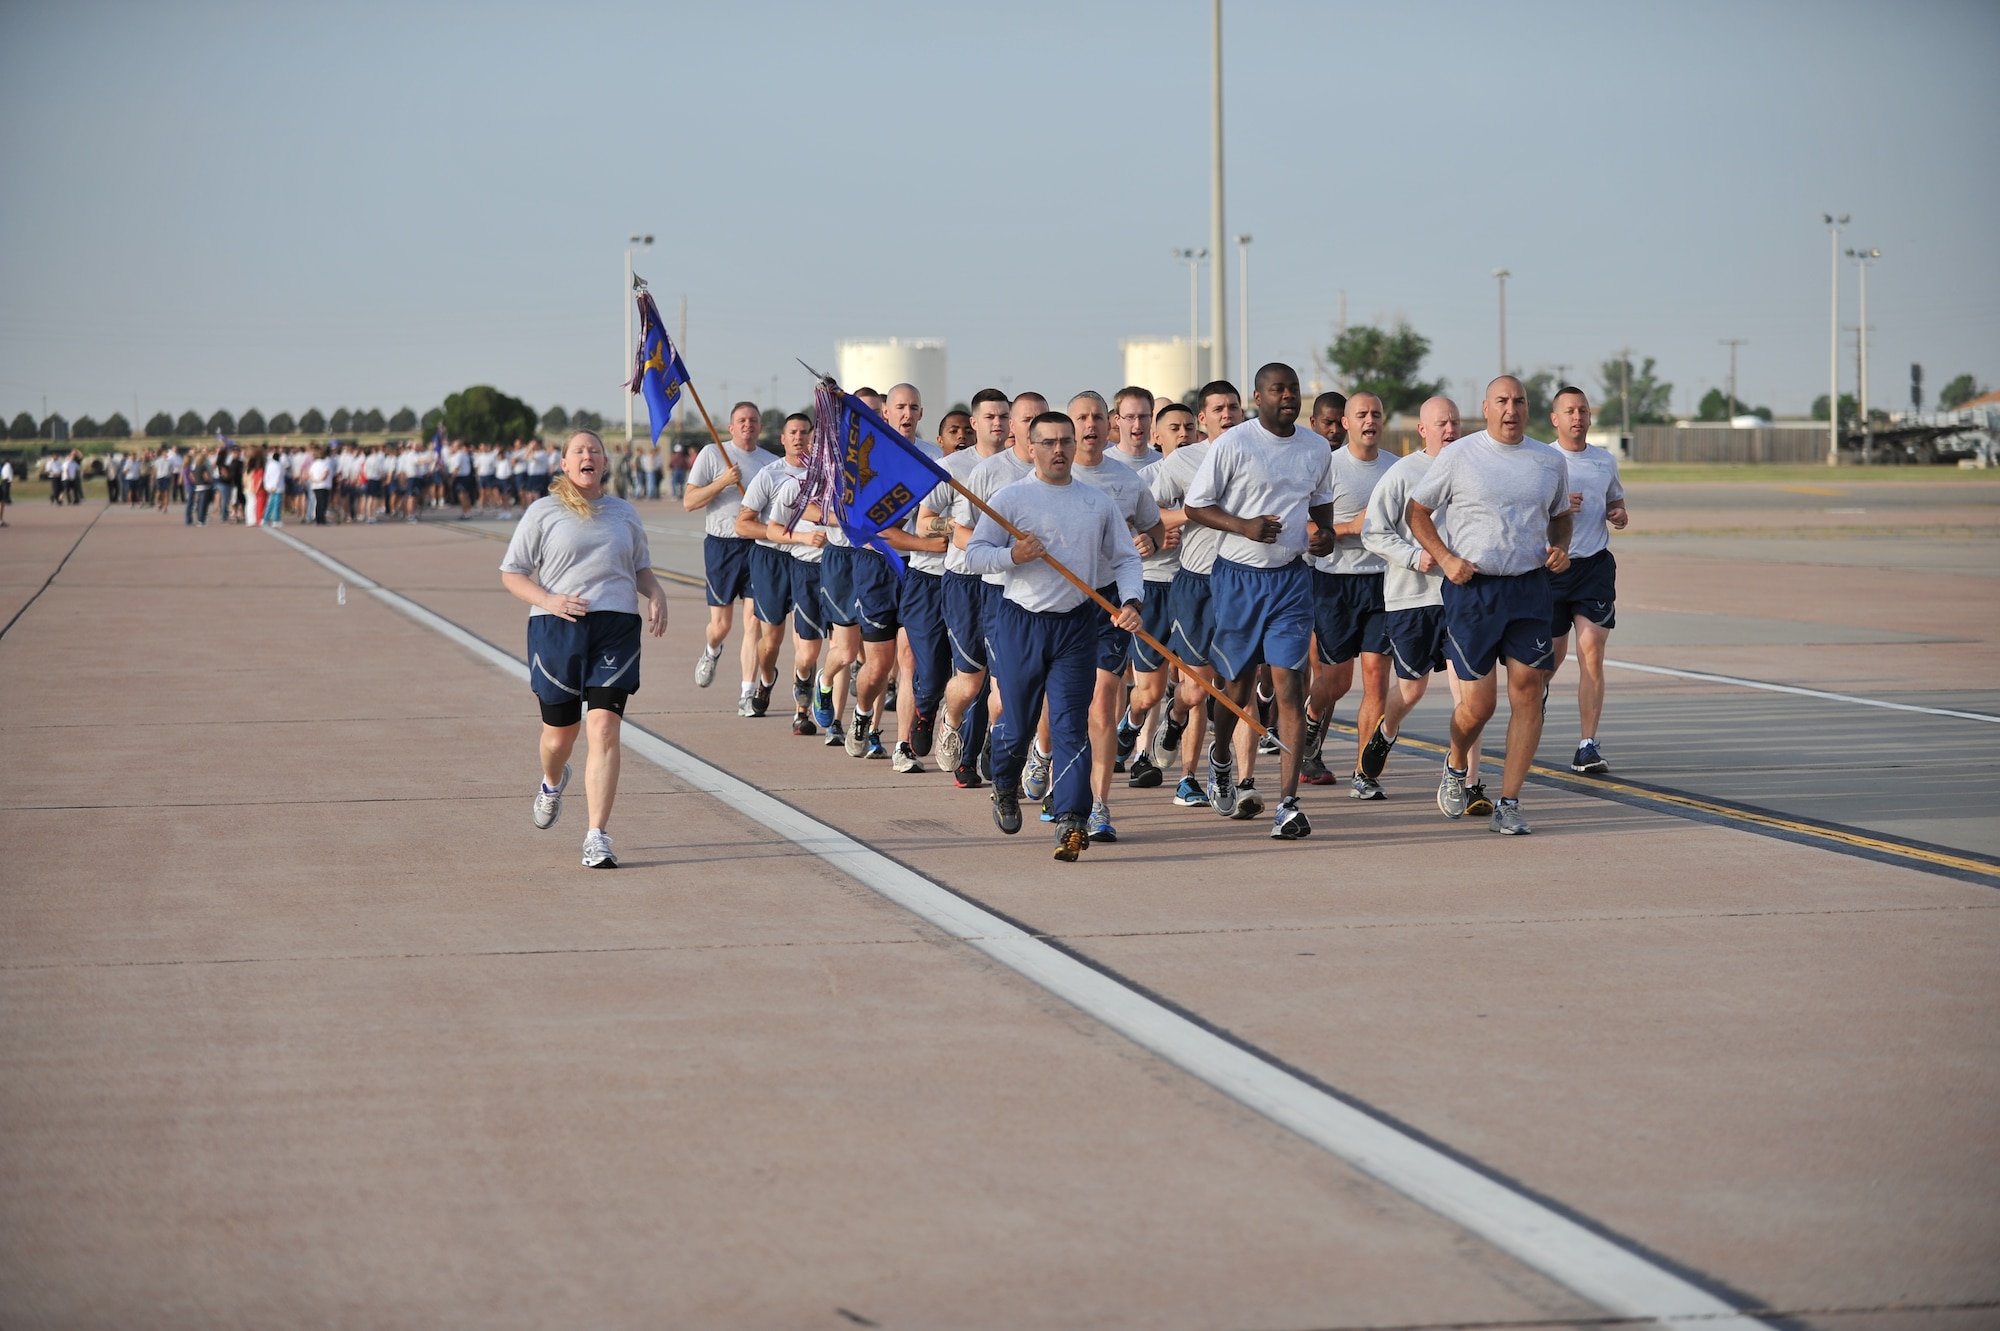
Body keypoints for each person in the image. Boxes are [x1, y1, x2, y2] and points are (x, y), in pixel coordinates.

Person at [965, 411, 1143, 862]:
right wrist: (1014, 555)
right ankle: (1005, 783)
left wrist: (1131, 602)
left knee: (1070, 725)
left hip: (1076, 625)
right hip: (1020, 622)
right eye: (1048, 442)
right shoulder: (1010, 499)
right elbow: (975, 555)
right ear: (1031, 447)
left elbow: (1125, 558)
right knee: (1018, 724)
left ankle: (1072, 820)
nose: (1059, 449)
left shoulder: (1096, 502)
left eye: (1066, 441)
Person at [1407, 375, 1573, 835]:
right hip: (1474, 591)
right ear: (1486, 408)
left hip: (1529, 589)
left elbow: (1561, 517)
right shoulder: (1460, 455)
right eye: (1501, 401)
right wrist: (1445, 558)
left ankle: (1510, 802)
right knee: (1478, 707)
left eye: (1518, 401)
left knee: (1529, 693)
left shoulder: (1549, 460)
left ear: (1528, 408)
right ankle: (1456, 761)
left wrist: (1561, 547)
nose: (1510, 409)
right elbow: (1417, 512)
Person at [499, 430, 667, 869]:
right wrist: (550, 600)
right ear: (564, 464)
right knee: (559, 737)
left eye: (595, 450)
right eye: (579, 451)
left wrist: (655, 592)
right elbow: (512, 573)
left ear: (605, 464)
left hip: (616, 626)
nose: (587, 455)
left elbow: (641, 567)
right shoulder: (544, 511)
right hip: (558, 626)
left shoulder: (624, 512)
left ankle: (597, 835)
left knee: (604, 729)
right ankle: (552, 781)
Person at [1183, 363, 1336, 840]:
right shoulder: (1234, 443)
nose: (1288, 396)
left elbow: (1321, 503)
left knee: (1289, 687)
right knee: (1237, 688)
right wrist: (1244, 526)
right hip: (1238, 579)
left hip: (1291, 579)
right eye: (1277, 389)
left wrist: (1324, 535)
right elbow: (1195, 506)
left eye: (1293, 389)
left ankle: (1288, 804)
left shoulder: (1315, 447)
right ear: (1258, 397)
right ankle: (1220, 758)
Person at [1357, 395, 1477, 799]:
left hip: (1462, 597)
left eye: (1455, 422)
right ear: (1422, 430)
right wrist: (1413, 556)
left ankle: (1467, 781)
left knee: (1469, 693)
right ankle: (1387, 731)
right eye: (1442, 423)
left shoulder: (1473, 468)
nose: (1451, 429)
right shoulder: (1402, 473)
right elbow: (1373, 532)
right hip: (1412, 598)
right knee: (1411, 689)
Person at [1067, 390, 1165, 842]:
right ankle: (1047, 759)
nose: (1089, 425)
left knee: (1103, 702)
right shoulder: (1048, 477)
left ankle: (1099, 804)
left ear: (1109, 424)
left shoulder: (1127, 480)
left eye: (1096, 417)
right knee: (1063, 705)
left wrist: (1150, 541)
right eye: (1080, 418)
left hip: (1109, 602)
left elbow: (1153, 526)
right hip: (1058, 602)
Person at [1302, 392, 1398, 798]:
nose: (1369, 420)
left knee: (1376, 680)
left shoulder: (1396, 468)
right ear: (1346, 423)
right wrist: (1348, 528)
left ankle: (1364, 774)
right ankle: (1310, 716)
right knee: (1337, 682)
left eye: (1376, 413)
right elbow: (1305, 527)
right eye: (1361, 414)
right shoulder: (1327, 467)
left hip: (1383, 583)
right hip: (1335, 583)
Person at [929, 388, 1014, 787]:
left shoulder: (1025, 466)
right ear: (975, 423)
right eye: (990, 417)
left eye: (1004, 416)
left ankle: (983, 751)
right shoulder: (952, 467)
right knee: (971, 680)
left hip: (1006, 582)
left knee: (1002, 678)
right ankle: (951, 719)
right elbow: (926, 521)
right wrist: (962, 530)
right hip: (964, 581)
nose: (998, 423)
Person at [1545, 386, 1627, 774]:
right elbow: (1525, 513)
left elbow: (1615, 500)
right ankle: (1535, 696)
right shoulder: (1543, 460)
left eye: (1583, 410)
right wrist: (1559, 509)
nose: (1577, 417)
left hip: (1594, 567)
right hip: (1552, 567)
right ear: (1555, 419)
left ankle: (1587, 745)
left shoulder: (1604, 461)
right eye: (1570, 411)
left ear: (1590, 417)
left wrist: (1618, 513)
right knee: (1549, 659)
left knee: (1591, 650)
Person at [1119, 401, 1194, 789]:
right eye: (1174, 428)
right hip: (1152, 587)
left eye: (1189, 427)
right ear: (1157, 437)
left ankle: (1185, 774)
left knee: (1196, 686)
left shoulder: (1210, 473)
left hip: (1196, 586)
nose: (1184, 434)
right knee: (1148, 691)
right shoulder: (1143, 480)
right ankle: (1130, 725)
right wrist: (1150, 539)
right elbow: (1126, 534)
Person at [738, 412, 828, 735]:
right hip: (772, 559)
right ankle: (766, 679)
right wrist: (786, 535)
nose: (799, 438)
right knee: (771, 640)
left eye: (805, 432)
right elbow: (742, 525)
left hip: (810, 562)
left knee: (805, 641)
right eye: (793, 432)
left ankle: (801, 711)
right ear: (783, 438)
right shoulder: (770, 475)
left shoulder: (826, 476)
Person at [685, 403, 775, 711]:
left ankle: (747, 694)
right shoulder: (713, 454)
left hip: (756, 546)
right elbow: (689, 502)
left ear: (760, 426)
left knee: (753, 622)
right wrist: (723, 481)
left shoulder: (769, 463)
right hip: (721, 546)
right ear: (731, 427)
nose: (748, 424)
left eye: (753, 420)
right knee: (721, 625)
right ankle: (712, 650)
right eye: (742, 420)